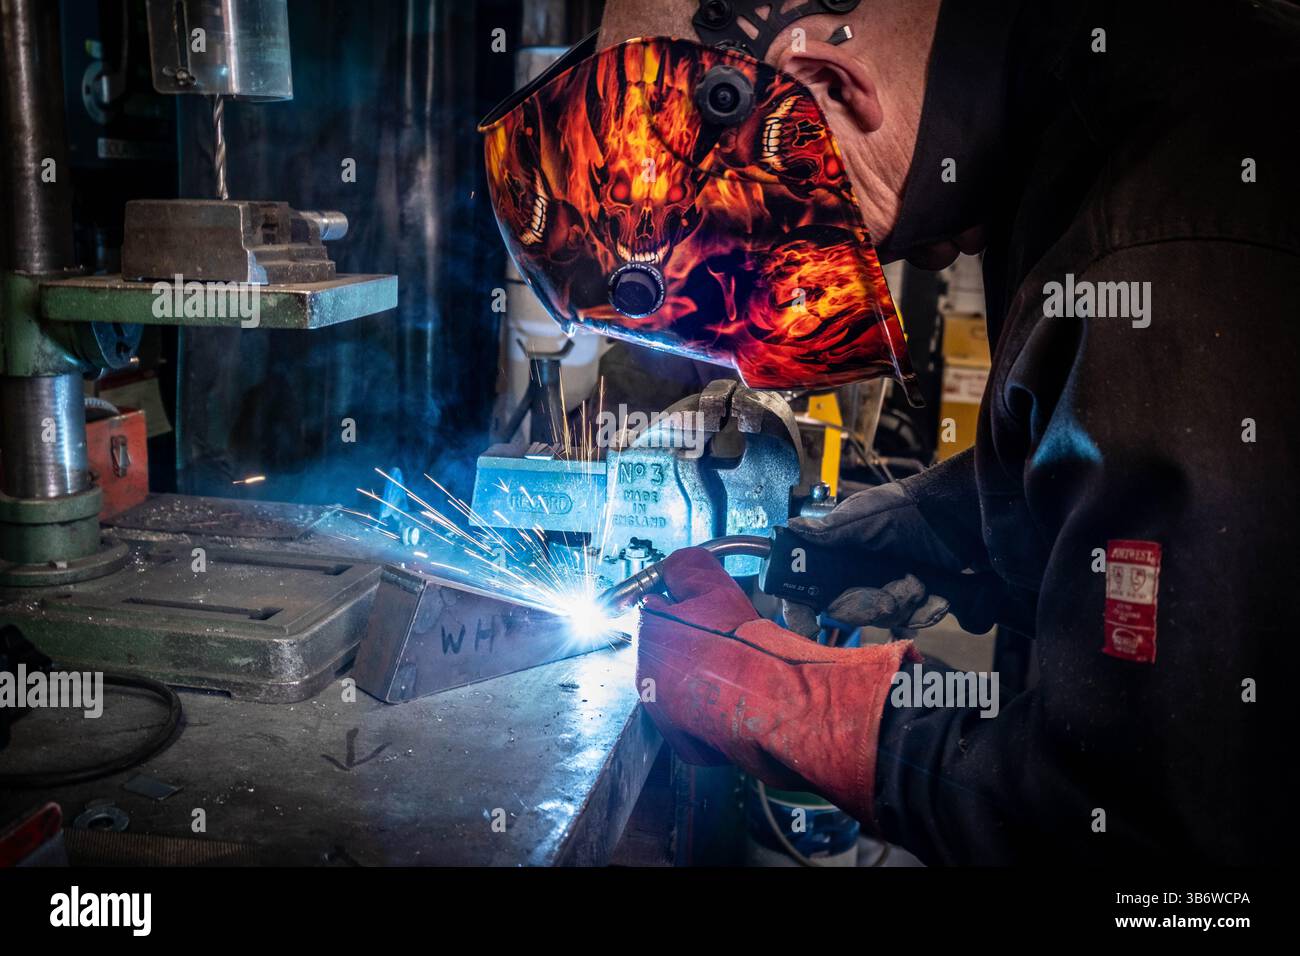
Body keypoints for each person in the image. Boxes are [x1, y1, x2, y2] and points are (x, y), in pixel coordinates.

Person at [482, 0, 1297, 863]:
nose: (923, 255)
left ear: (827, 83)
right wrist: (960, 521)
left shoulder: (1165, 238)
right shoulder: (1110, 131)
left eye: (845, 249)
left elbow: (1153, 841)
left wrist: (807, 709)